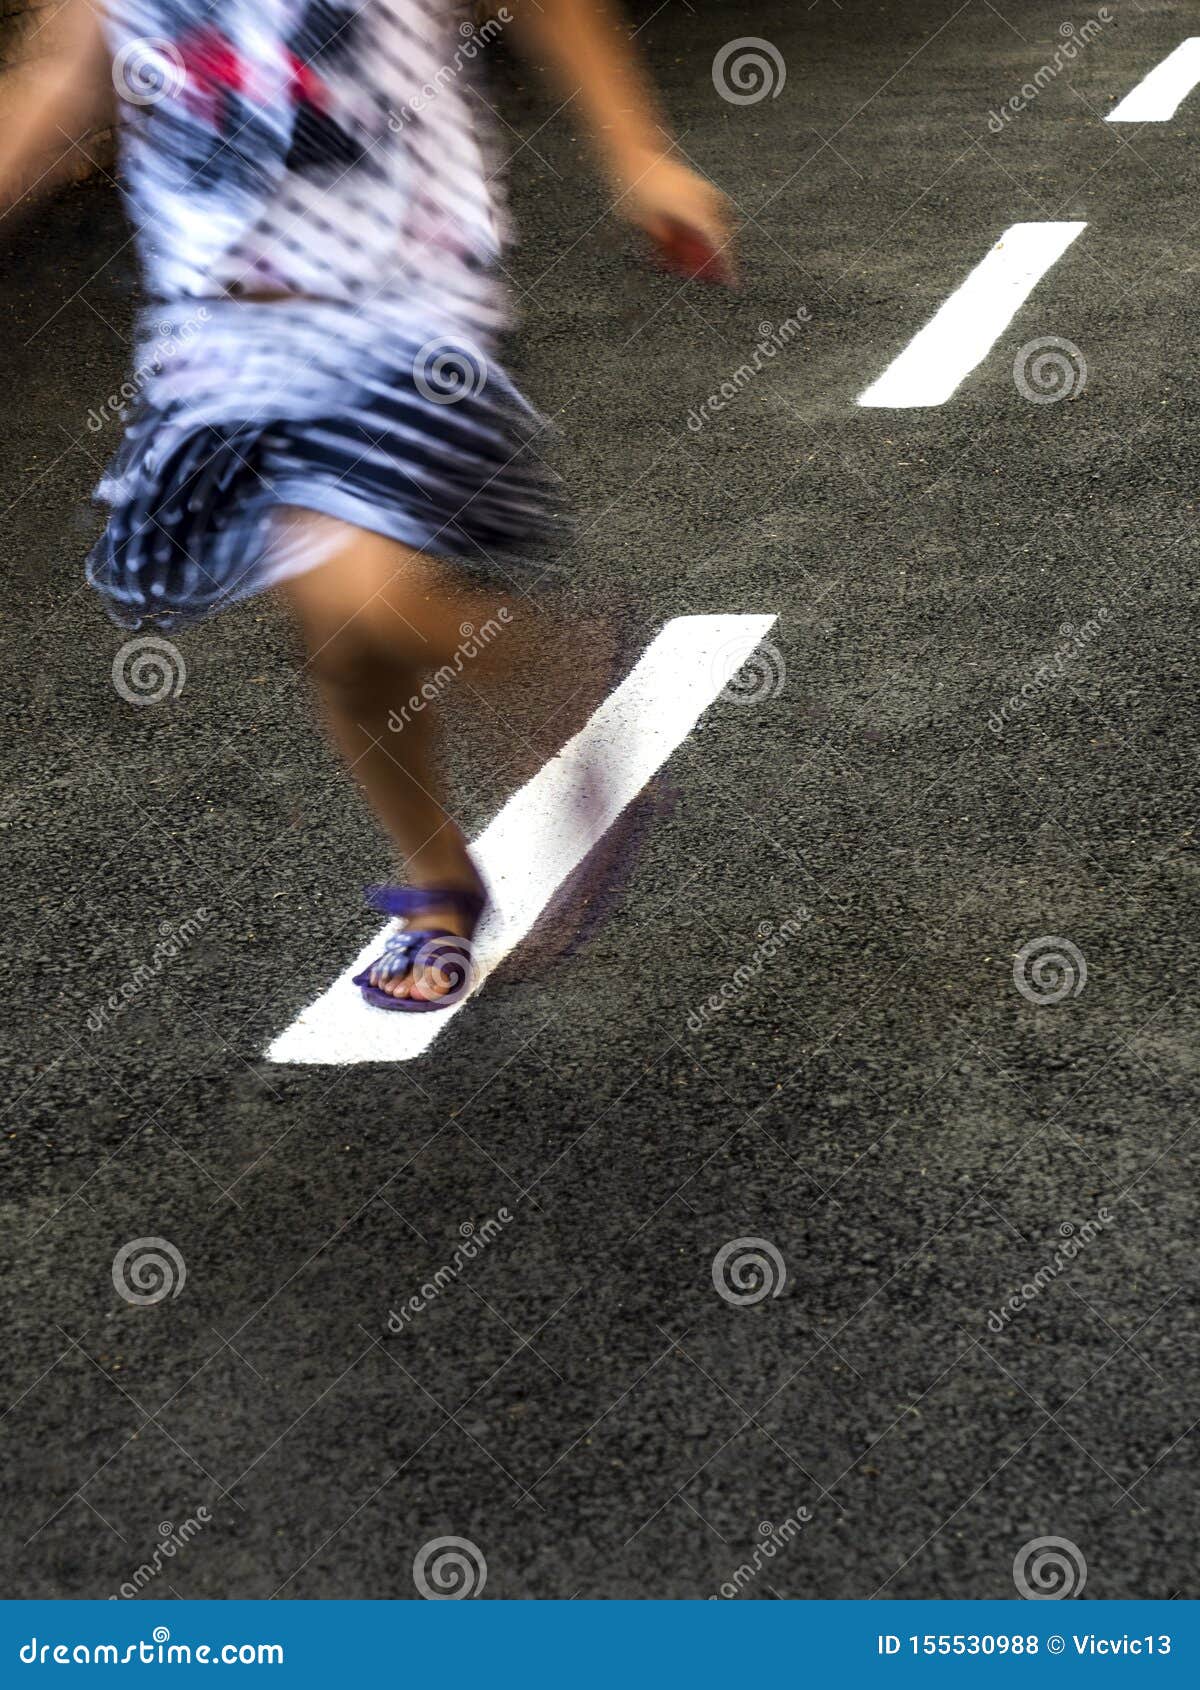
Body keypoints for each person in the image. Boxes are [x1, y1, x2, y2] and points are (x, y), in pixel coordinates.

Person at [0, 0, 733, 1009]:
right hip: (220, 337)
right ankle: (438, 879)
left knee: (358, 590)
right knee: (342, 644)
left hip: (407, 309)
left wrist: (637, 154)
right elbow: (58, 78)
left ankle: (553, 670)